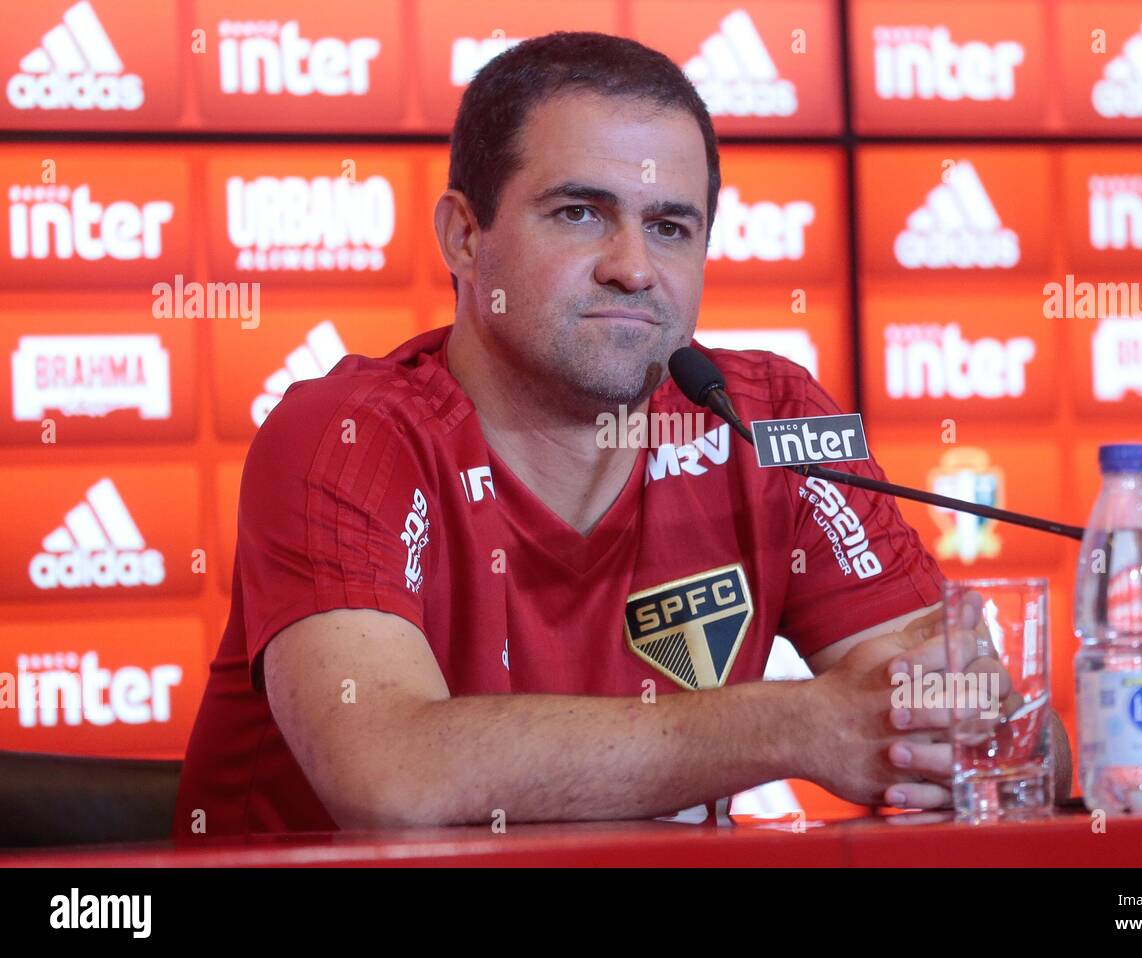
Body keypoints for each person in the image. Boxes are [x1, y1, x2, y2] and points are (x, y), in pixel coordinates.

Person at [173, 31, 1071, 836]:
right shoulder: (345, 435)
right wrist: (797, 725)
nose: (633, 267)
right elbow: (390, 775)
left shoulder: (770, 420)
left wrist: (972, 734)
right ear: (462, 235)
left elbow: (997, 740)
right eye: (579, 213)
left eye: (670, 227)